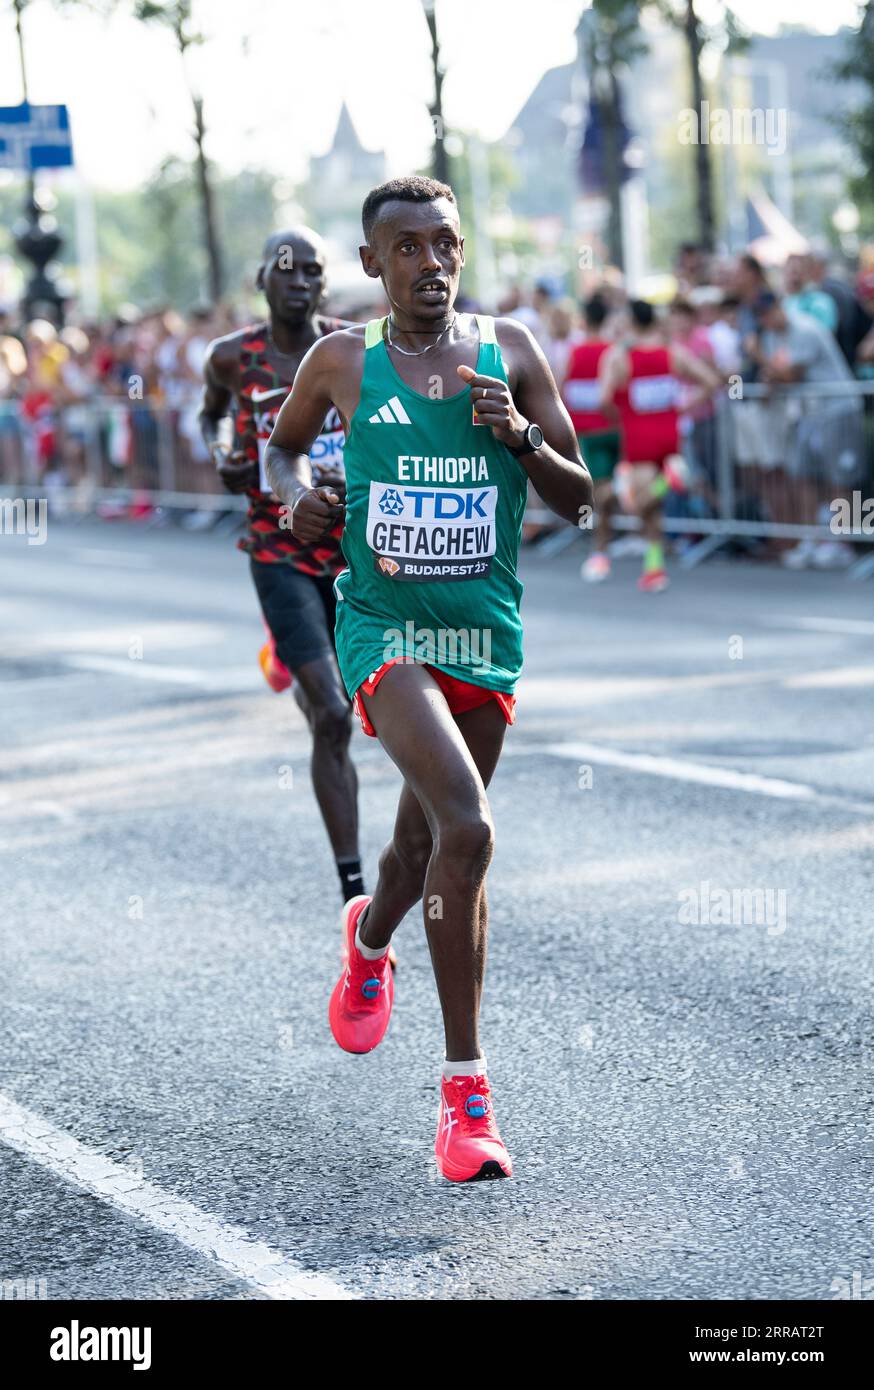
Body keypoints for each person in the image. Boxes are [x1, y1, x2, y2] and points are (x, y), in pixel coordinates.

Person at [265, 175, 593, 1182]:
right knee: (469, 825)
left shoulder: (512, 354)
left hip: (482, 638)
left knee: (418, 855)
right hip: (384, 630)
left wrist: (520, 436)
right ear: (372, 265)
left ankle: (368, 938)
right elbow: (280, 459)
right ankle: (466, 1099)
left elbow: (579, 503)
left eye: (444, 243)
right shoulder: (341, 361)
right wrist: (301, 504)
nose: (430, 264)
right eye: (405, 248)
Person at [200, 228, 368, 908]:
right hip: (277, 550)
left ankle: (291, 651)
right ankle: (353, 890)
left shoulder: (349, 351)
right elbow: (211, 418)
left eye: (312, 271)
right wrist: (222, 455)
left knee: (360, 696)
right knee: (332, 716)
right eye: (285, 269)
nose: (299, 281)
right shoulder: (231, 357)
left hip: (351, 550)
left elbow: (380, 427)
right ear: (261, 281)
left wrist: (352, 467)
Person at [601, 299, 719, 591]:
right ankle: (654, 569)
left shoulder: (620, 356)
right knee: (653, 512)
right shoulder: (673, 351)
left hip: (639, 437)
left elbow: (604, 399)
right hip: (668, 434)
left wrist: (621, 416)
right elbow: (711, 381)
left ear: (632, 322)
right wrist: (681, 407)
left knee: (637, 506)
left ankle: (668, 480)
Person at [562, 293, 621, 581]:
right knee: (607, 487)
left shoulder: (577, 352)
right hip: (615, 428)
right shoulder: (613, 350)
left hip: (590, 432)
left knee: (601, 489)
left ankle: (600, 548)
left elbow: (559, 386)